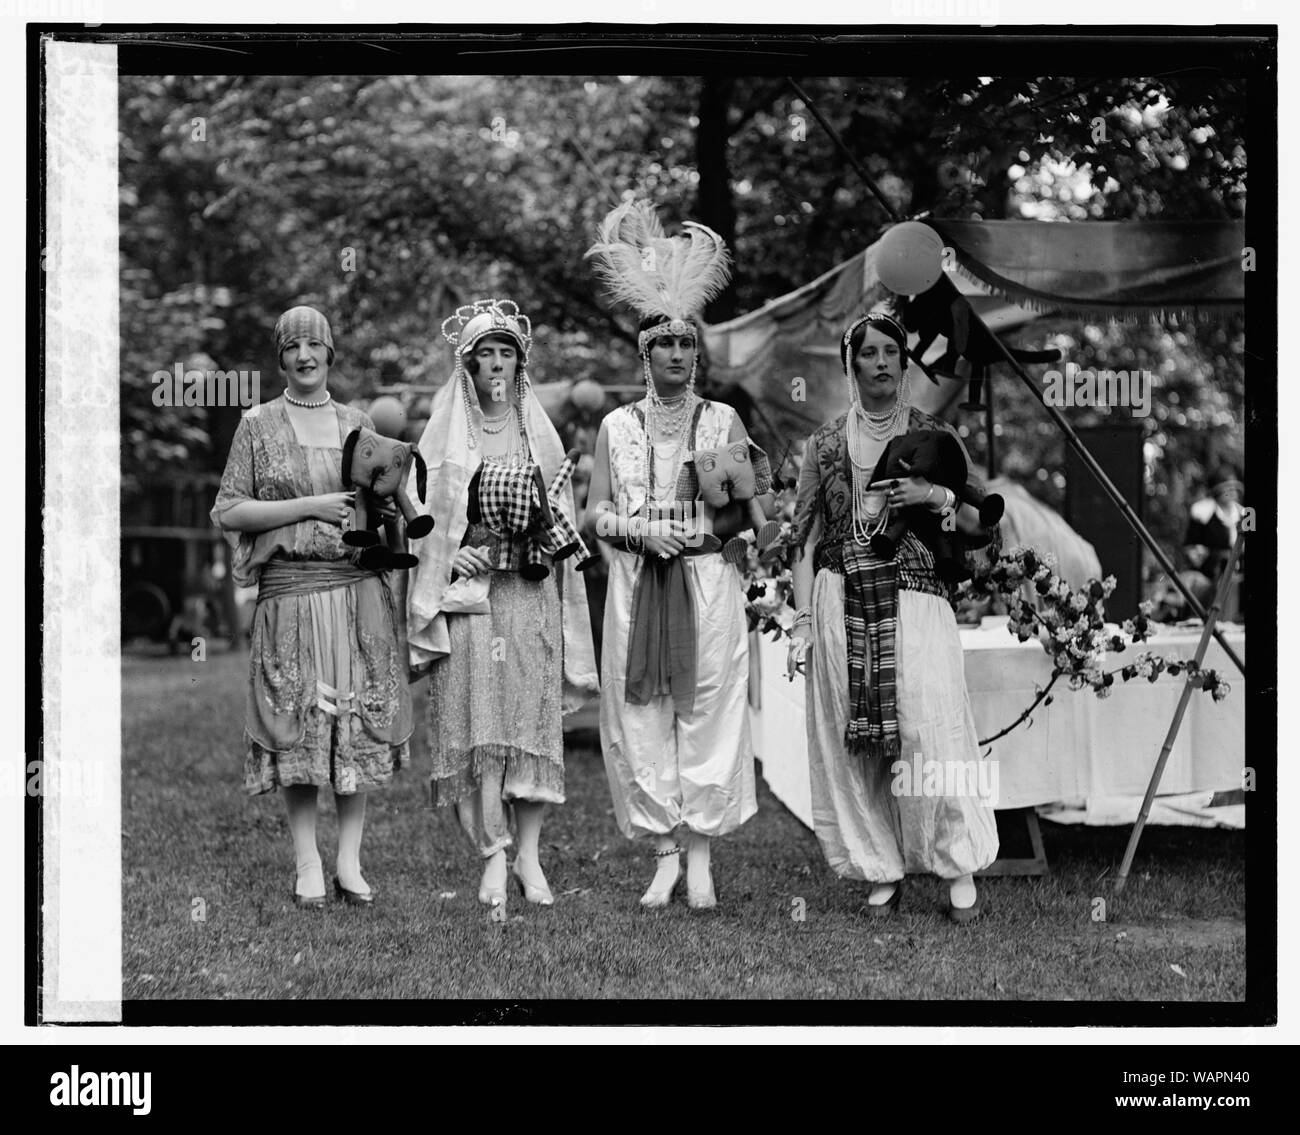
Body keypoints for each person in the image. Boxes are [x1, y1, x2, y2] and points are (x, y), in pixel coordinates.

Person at [784, 310, 1000, 923]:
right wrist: (802, 622)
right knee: (856, 741)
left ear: (904, 363)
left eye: (891, 352)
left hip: (916, 601)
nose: (880, 362)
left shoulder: (936, 436)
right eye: (868, 353)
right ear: (851, 365)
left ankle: (957, 863)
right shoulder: (823, 444)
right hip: (839, 600)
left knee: (928, 728)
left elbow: (986, 524)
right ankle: (879, 868)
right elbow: (802, 538)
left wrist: (934, 497)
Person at [584, 201, 767, 910]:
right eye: (665, 344)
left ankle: (700, 857)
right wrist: (634, 531)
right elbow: (592, 510)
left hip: (707, 579)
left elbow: (752, 503)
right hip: (636, 580)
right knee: (641, 713)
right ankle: (662, 853)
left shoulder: (723, 419)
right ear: (643, 353)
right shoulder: (614, 425)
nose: (678, 354)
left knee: (709, 705)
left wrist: (745, 531)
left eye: (687, 344)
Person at [211, 305, 412, 909]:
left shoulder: (358, 422)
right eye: (292, 347)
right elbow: (229, 511)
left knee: (355, 722)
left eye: (314, 346)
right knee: (294, 721)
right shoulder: (257, 424)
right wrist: (309, 506)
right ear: (280, 358)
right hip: (291, 592)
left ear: (330, 355)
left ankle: (348, 861)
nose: (304, 357)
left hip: (355, 591)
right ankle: (306, 862)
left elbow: (386, 506)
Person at [407, 299, 597, 911]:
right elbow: (426, 515)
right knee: (479, 724)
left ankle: (531, 857)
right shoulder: (446, 428)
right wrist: (451, 554)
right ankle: (493, 854)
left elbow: (560, 517)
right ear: (466, 364)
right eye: (484, 353)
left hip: (531, 595)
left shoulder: (536, 430)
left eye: (505, 353)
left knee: (531, 721)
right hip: (475, 603)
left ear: (520, 364)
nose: (496, 363)